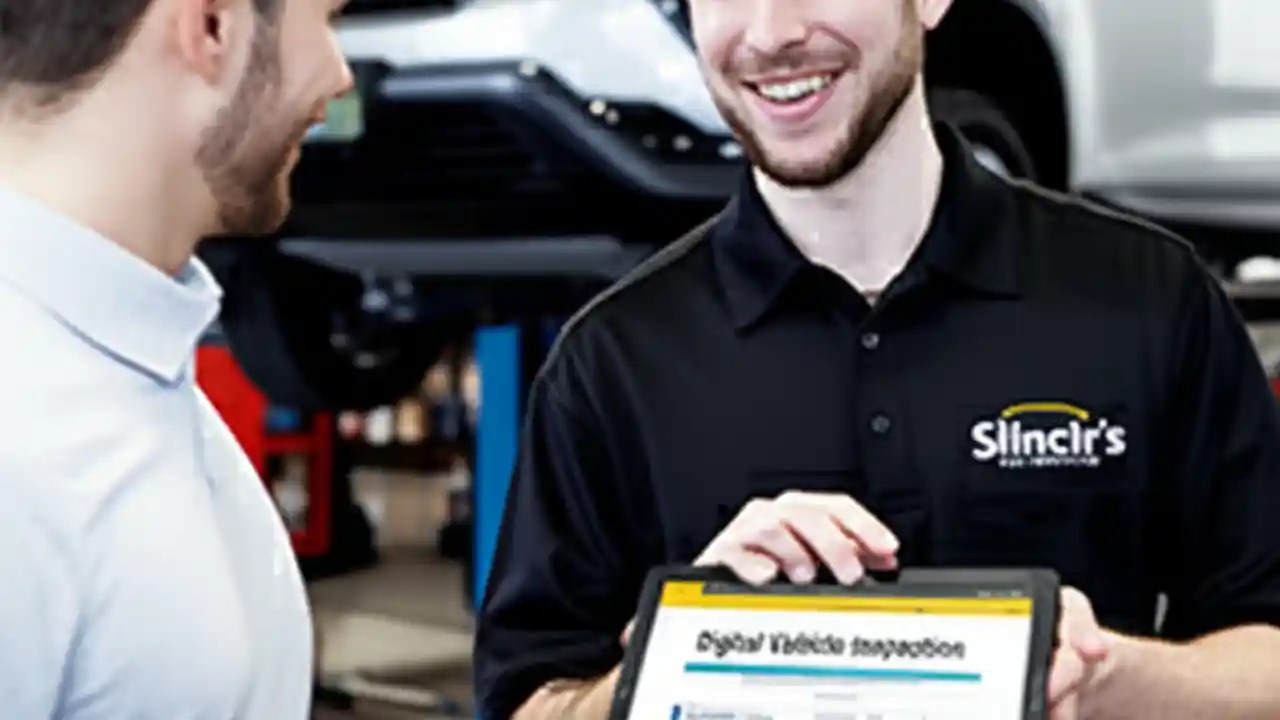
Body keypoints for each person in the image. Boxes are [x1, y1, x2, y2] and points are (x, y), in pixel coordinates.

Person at [474, 0, 1280, 717]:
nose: (771, 32)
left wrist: (1107, 680)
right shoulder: (612, 363)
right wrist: (688, 642)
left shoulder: (1147, 299)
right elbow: (529, 699)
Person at [0, 0, 352, 717]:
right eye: (326, 19)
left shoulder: (123, 375)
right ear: (212, 25)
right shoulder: (23, 444)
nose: (339, 73)